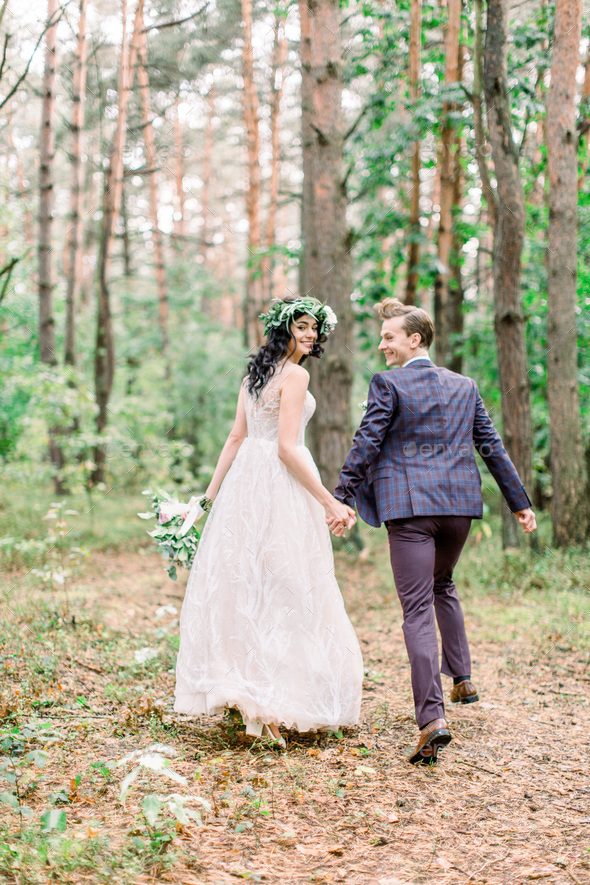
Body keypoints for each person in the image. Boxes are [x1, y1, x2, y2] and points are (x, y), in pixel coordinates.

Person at [331, 298, 536, 764]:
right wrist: (519, 503)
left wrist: (342, 495)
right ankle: (462, 677)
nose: (382, 345)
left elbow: (367, 440)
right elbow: (491, 446)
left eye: (389, 337)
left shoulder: (388, 383)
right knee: (442, 583)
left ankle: (431, 720)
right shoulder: (465, 386)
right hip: (459, 509)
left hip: (410, 511)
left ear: (414, 339)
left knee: (417, 608)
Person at [174, 297, 363, 748]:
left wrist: (210, 498)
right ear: (284, 329)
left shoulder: (254, 376)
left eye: (315, 328)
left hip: (245, 486)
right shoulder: (296, 376)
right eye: (302, 326)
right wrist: (329, 502)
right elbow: (285, 448)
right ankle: (269, 701)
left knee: (249, 583)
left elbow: (237, 439)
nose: (311, 334)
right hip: (279, 486)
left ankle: (255, 697)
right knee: (287, 584)